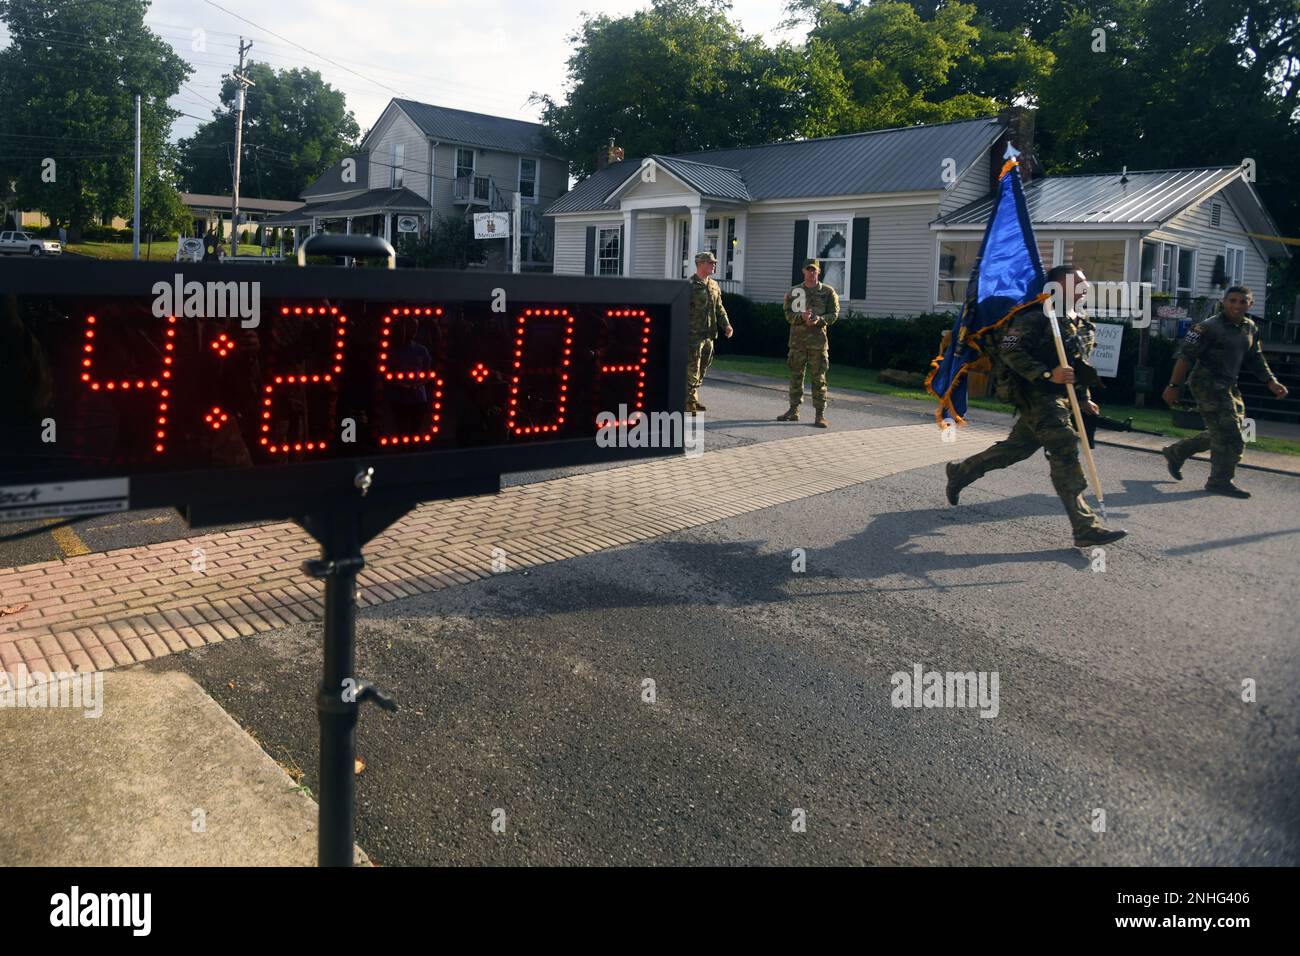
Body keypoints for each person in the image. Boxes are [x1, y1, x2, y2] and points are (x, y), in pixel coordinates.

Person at [944, 264, 1128, 547]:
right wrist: (1045, 374)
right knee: (1064, 445)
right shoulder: (1036, 316)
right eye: (1077, 281)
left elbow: (1077, 365)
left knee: (1016, 449)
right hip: (1035, 395)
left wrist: (1083, 397)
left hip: (1062, 397)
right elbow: (1009, 350)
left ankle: (962, 472)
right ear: (1055, 287)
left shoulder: (1079, 319)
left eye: (1085, 281)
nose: (1085, 286)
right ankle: (1085, 527)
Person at [1160, 286, 1288, 497]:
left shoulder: (1250, 327)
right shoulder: (1206, 328)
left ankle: (1177, 452)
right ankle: (1219, 481)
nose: (1237, 306)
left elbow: (1255, 358)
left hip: (1229, 386)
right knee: (1234, 434)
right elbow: (1185, 357)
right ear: (1223, 302)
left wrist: (1271, 382)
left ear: (1250, 304)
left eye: (1242, 302)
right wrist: (1173, 386)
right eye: (1233, 301)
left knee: (1227, 431)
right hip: (1206, 384)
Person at [777, 259, 840, 428]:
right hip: (797, 343)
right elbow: (788, 314)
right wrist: (801, 318)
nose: (811, 273)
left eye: (814, 270)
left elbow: (834, 314)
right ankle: (793, 410)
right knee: (796, 377)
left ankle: (820, 415)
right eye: (808, 270)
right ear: (803, 271)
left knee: (818, 378)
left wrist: (820, 320)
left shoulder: (828, 292)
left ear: (818, 272)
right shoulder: (795, 291)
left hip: (818, 344)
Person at [685, 250, 732, 412]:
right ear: (701, 264)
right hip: (693, 334)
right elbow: (681, 309)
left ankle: (693, 396)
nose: (714, 265)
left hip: (709, 335)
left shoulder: (713, 285)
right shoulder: (689, 285)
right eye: (711, 263)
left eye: (714, 263)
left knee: (703, 367)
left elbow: (719, 308)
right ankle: (688, 401)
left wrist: (726, 325)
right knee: (692, 367)